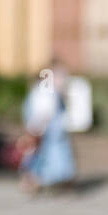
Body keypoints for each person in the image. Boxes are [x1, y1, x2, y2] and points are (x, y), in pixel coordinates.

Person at [20, 59, 76, 193]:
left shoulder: (46, 90)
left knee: (42, 157)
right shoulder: (46, 91)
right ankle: (34, 181)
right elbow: (43, 112)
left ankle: (40, 181)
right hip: (46, 132)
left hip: (49, 132)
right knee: (43, 157)